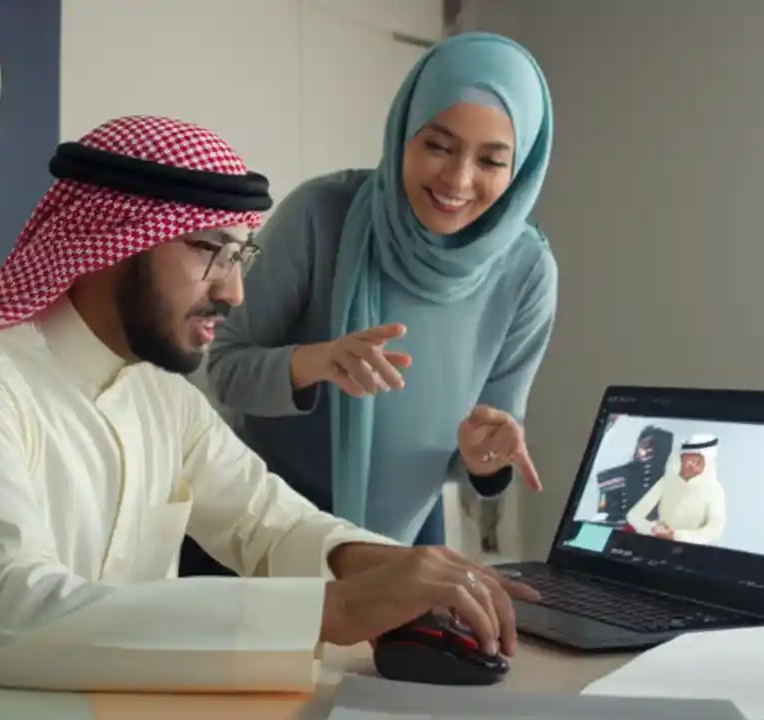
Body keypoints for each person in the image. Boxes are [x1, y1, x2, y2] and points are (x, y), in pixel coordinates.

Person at [0, 115, 539, 715]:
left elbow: (270, 525)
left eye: (241, 258)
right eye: (209, 251)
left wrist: (407, 571)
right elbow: (9, 618)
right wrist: (332, 609)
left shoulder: (161, 398)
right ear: (111, 243)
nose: (234, 293)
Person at [199, 32, 557, 557]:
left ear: (520, 167)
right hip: (264, 523)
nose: (458, 179)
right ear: (404, 132)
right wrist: (316, 362)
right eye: (438, 145)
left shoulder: (528, 272)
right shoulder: (320, 215)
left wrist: (486, 461)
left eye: (491, 161)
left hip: (404, 540)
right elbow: (224, 373)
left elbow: (493, 437)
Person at [626, 433, 727, 544]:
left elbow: (715, 531)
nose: (691, 466)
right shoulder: (666, 481)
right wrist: (653, 529)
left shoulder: (714, 489)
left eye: (697, 462)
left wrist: (676, 535)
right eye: (687, 460)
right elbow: (634, 515)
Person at [593, 425, 675, 526]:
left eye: (659, 448)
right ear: (638, 445)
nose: (650, 451)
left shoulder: (675, 481)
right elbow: (604, 516)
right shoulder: (611, 476)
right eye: (646, 445)